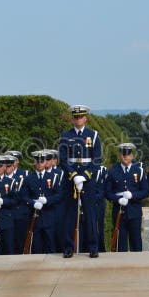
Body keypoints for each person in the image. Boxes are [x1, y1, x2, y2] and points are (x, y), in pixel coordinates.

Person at [58, 105, 103, 258]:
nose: (78, 119)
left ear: (85, 118)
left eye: (81, 116)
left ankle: (93, 247)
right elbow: (63, 159)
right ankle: (68, 248)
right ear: (72, 118)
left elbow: (97, 159)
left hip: (87, 180)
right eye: (76, 117)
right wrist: (73, 175)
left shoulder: (93, 135)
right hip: (71, 180)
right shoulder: (65, 135)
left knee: (90, 214)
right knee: (70, 214)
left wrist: (85, 175)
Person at [105, 143, 149, 252]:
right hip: (119, 212)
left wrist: (133, 195)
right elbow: (107, 192)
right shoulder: (112, 171)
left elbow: (145, 191)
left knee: (136, 243)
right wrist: (118, 199)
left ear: (132, 156)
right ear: (120, 156)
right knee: (120, 244)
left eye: (128, 154)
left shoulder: (139, 171)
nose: (125, 156)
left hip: (134, 212)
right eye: (123, 154)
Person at [22, 150, 64, 253]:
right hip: (35, 217)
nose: (40, 164)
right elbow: (23, 196)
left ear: (45, 162)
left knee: (51, 245)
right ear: (34, 162)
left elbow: (59, 195)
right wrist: (33, 203)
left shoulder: (53, 177)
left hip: (49, 216)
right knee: (36, 247)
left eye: (42, 161)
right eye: (37, 161)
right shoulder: (28, 178)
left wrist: (47, 200)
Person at [4, 151, 30, 254]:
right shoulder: (2, 174)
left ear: (17, 161)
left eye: (13, 160)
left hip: (20, 213)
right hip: (6, 213)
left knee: (20, 241)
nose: (10, 162)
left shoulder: (24, 174)